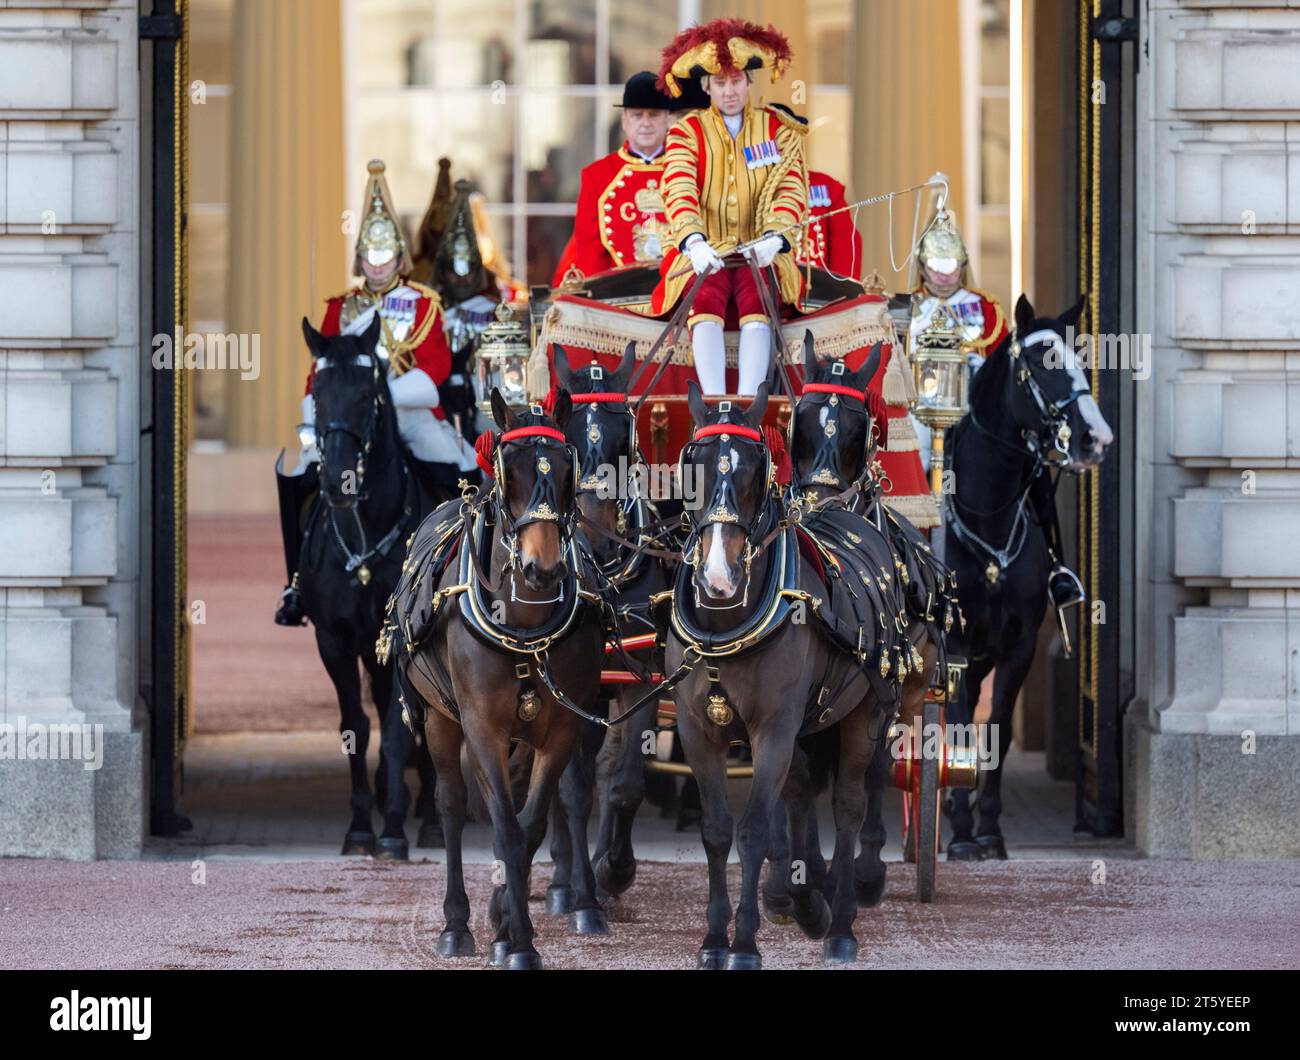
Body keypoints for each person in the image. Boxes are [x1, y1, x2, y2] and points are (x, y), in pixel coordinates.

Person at [273, 159, 477, 626]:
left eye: (387, 256)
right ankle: (299, 583)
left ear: (401, 258)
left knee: (464, 470)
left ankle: (469, 569)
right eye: (371, 256)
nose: (379, 264)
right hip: (346, 419)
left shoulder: (424, 303)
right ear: (360, 257)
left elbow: (435, 368)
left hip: (407, 413)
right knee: (298, 474)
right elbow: (316, 377)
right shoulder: (338, 310)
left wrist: (383, 393)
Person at [649, 18, 808, 396]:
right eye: (720, 83)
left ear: (749, 82)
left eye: (736, 81)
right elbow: (678, 186)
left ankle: (752, 402)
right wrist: (693, 242)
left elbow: (791, 186)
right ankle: (715, 401)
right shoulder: (687, 131)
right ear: (708, 87)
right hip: (707, 253)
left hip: (760, 252)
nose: (730, 91)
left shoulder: (777, 128)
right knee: (706, 298)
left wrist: (775, 238)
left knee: (758, 300)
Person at [550, 72, 679, 285]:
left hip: (678, 296)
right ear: (625, 121)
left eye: (654, 114)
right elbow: (589, 253)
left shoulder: (688, 168)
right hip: (620, 299)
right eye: (638, 115)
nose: (645, 123)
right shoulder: (597, 176)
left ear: (668, 120)